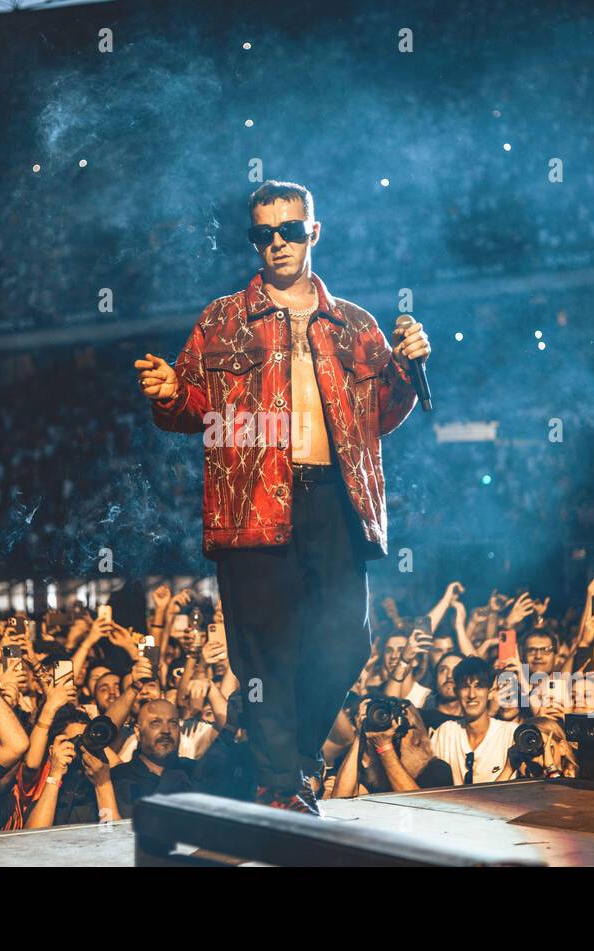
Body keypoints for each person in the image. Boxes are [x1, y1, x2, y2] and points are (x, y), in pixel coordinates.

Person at [136, 179, 430, 814]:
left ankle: (292, 760)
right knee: (265, 651)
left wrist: (407, 367)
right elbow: (193, 408)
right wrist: (169, 393)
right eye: (263, 234)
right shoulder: (221, 319)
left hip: (335, 500)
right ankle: (280, 787)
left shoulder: (355, 324)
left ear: (313, 232)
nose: (276, 243)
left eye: (289, 230)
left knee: (348, 642)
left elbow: (382, 413)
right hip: (250, 508)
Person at [428, 657, 516, 785]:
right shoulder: (445, 733)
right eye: (465, 687)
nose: (471, 695)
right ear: (456, 692)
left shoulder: (510, 733)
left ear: (491, 692)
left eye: (479, 686)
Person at [111, 699, 199, 818]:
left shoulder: (197, 771)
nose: (166, 730)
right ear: (137, 732)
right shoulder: (118, 778)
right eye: (155, 723)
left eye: (173, 723)